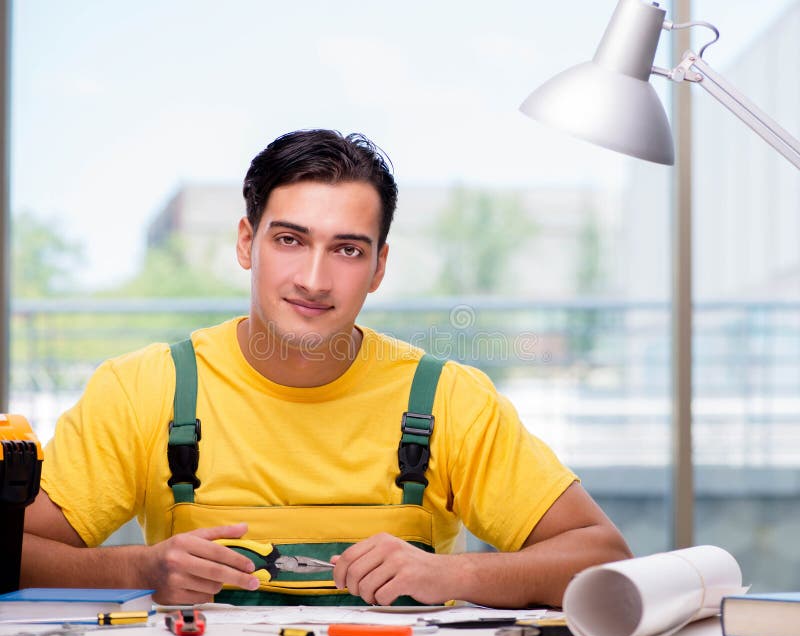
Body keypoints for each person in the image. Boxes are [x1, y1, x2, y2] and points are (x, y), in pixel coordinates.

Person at [22, 129, 632, 608]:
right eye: (289, 240)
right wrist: (139, 568)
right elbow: (15, 551)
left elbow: (602, 557)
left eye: (347, 250)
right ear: (245, 243)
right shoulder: (146, 389)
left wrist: (457, 572)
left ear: (379, 267)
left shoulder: (448, 399)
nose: (314, 279)